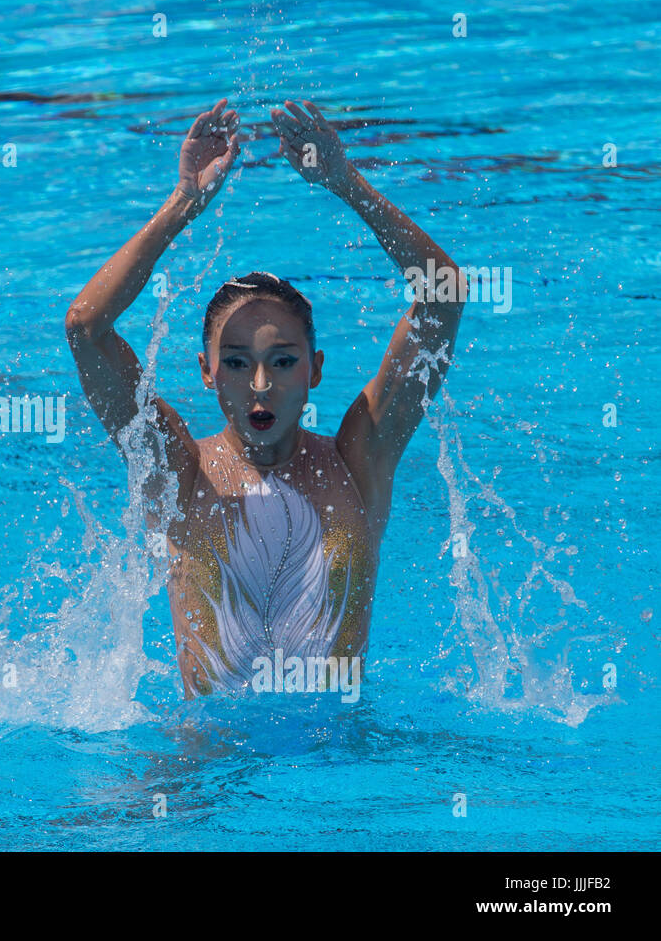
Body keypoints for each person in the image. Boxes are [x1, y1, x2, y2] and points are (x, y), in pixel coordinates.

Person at [64, 99, 467, 698]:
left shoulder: (360, 460)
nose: (259, 385)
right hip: (206, 767)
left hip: (340, 768)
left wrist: (346, 183)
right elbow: (85, 329)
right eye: (235, 363)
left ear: (315, 371)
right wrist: (181, 206)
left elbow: (444, 297)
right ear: (206, 373)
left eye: (282, 362)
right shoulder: (179, 470)